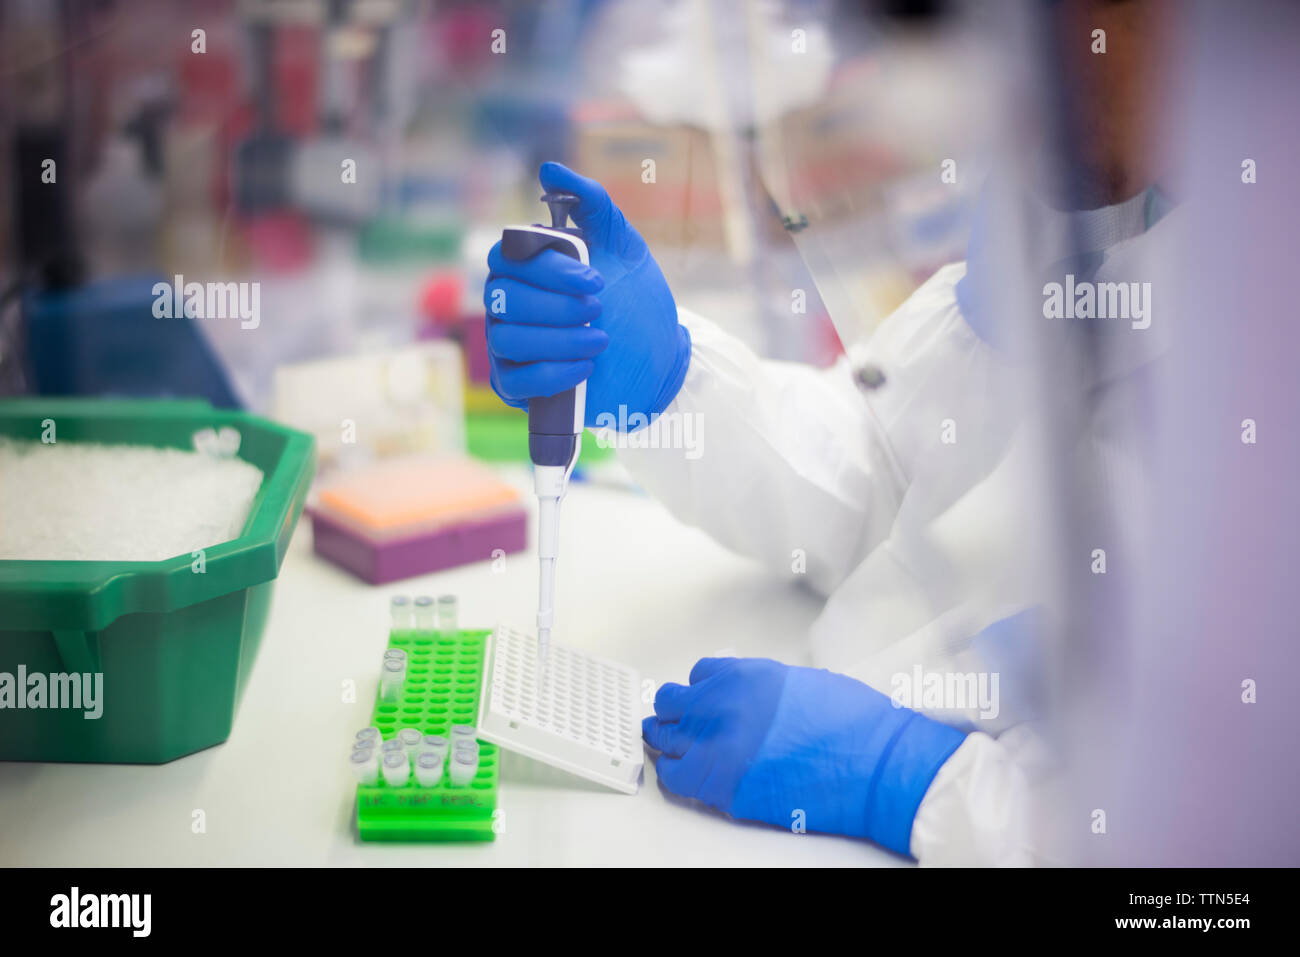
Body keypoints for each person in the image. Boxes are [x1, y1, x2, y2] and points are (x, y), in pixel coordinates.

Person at [483, 3, 1176, 864]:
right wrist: (664, 383)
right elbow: (886, 462)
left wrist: (918, 783)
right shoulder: (1099, 199)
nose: (1011, 64)